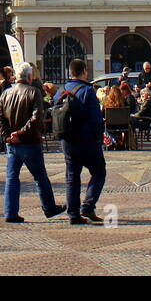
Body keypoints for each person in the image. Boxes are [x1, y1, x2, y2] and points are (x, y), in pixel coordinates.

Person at [0, 63, 64, 223]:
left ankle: (10, 212)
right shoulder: (34, 92)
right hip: (30, 142)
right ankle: (49, 208)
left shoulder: (6, 93)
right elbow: (36, 118)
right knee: (40, 177)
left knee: (12, 178)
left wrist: (8, 136)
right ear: (30, 77)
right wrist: (20, 133)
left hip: (12, 143)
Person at [56, 58, 106, 225]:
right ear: (84, 71)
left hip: (67, 140)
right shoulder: (87, 91)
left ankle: (73, 214)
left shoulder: (61, 90)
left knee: (72, 176)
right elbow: (96, 119)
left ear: (70, 72)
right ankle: (88, 205)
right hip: (86, 140)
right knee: (99, 172)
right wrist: (98, 138)